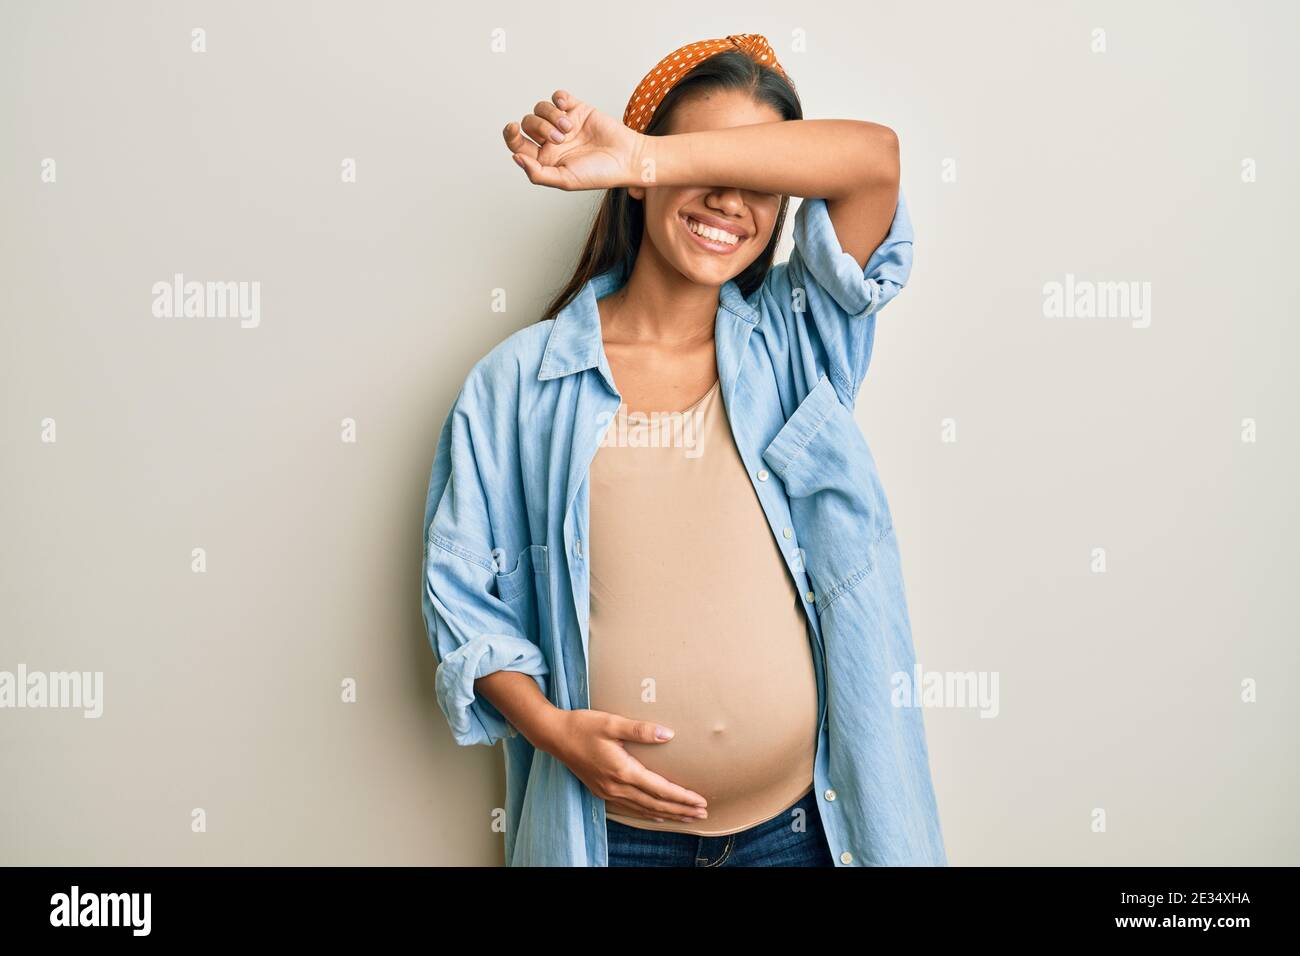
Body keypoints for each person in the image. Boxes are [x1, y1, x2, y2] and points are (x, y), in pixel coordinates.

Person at [420, 33, 947, 867]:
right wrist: (553, 731)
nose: (731, 202)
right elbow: (465, 609)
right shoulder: (518, 384)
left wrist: (649, 154)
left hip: (805, 836)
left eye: (760, 181)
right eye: (696, 166)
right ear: (640, 184)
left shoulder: (794, 343)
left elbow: (873, 162)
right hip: (614, 843)